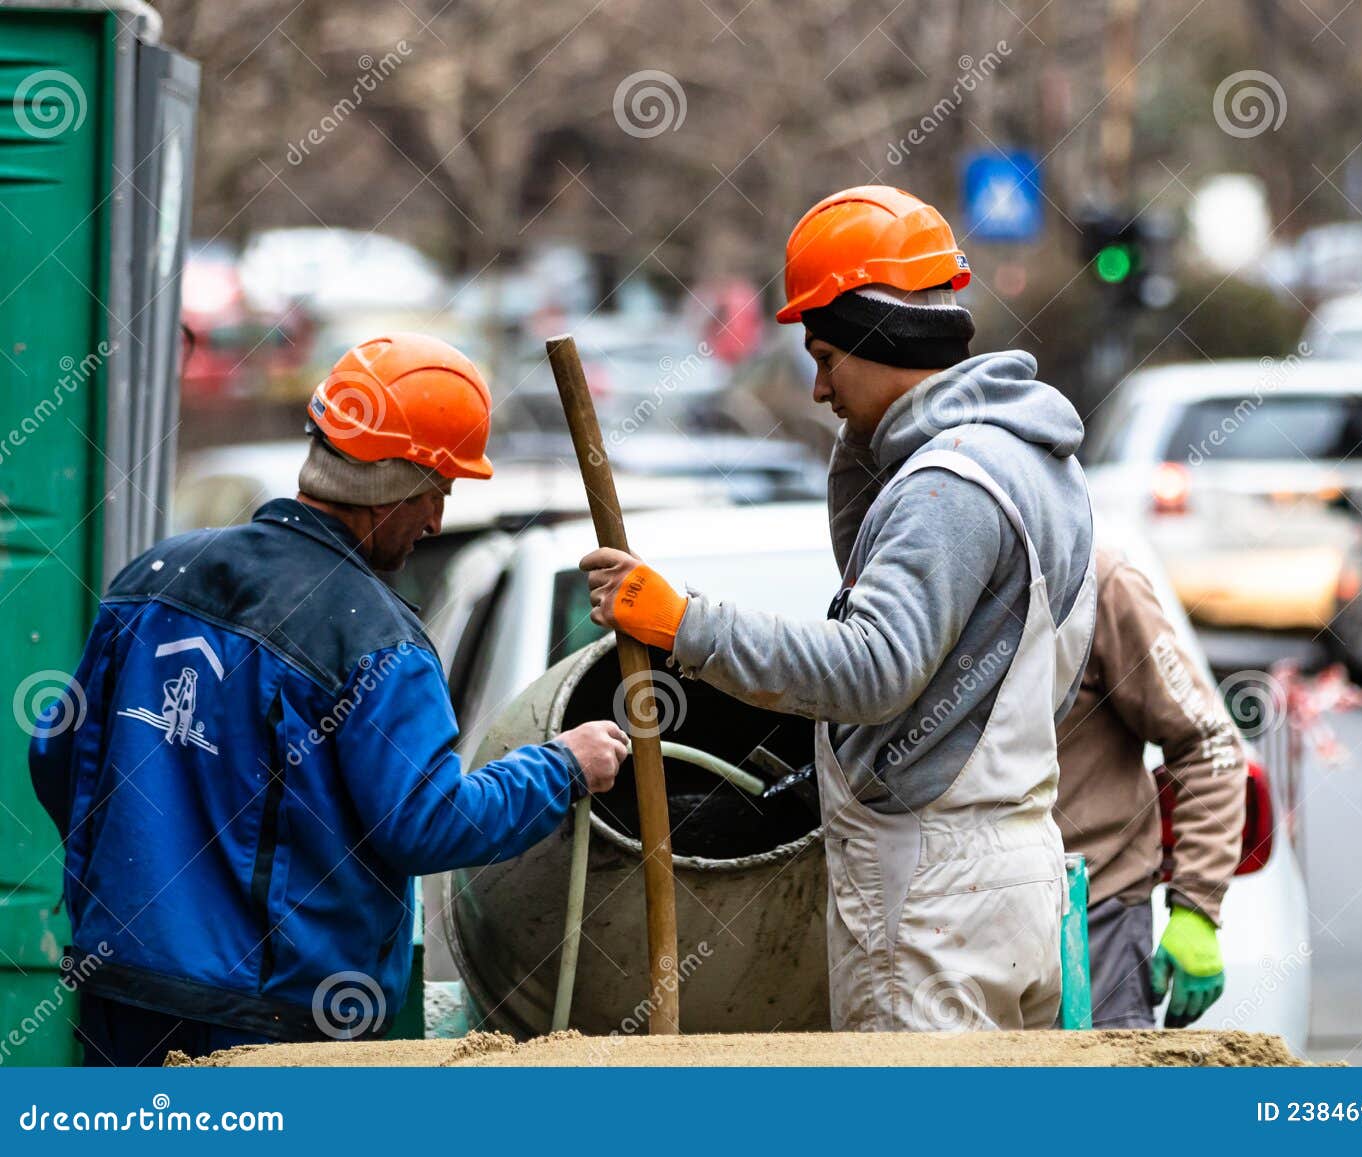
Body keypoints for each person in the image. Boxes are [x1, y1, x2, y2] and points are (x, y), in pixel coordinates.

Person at [28, 334, 628, 1065]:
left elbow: (57, 758)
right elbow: (427, 824)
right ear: (396, 487)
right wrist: (562, 767)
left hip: (118, 990)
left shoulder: (152, 577)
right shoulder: (376, 639)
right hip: (276, 1024)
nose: (436, 522)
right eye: (437, 495)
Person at [582, 186, 1097, 1031]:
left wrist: (687, 625)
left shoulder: (945, 485)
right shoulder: (1035, 463)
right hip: (1017, 876)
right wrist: (872, 443)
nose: (819, 387)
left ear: (879, 335)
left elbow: (873, 666)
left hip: (932, 900)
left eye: (827, 355)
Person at [1053, 546, 1248, 1029]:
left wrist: (1197, 907)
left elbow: (1206, 742)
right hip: (941, 922)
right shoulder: (890, 580)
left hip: (1091, 919)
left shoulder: (1095, 584)